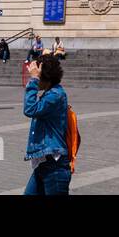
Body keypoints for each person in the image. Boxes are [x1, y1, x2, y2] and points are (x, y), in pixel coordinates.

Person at [23, 55, 72, 196]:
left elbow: (30, 109)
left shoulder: (56, 95)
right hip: (43, 162)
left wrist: (33, 80)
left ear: (47, 77)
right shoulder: (50, 93)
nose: (36, 80)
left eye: (39, 77)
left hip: (55, 166)